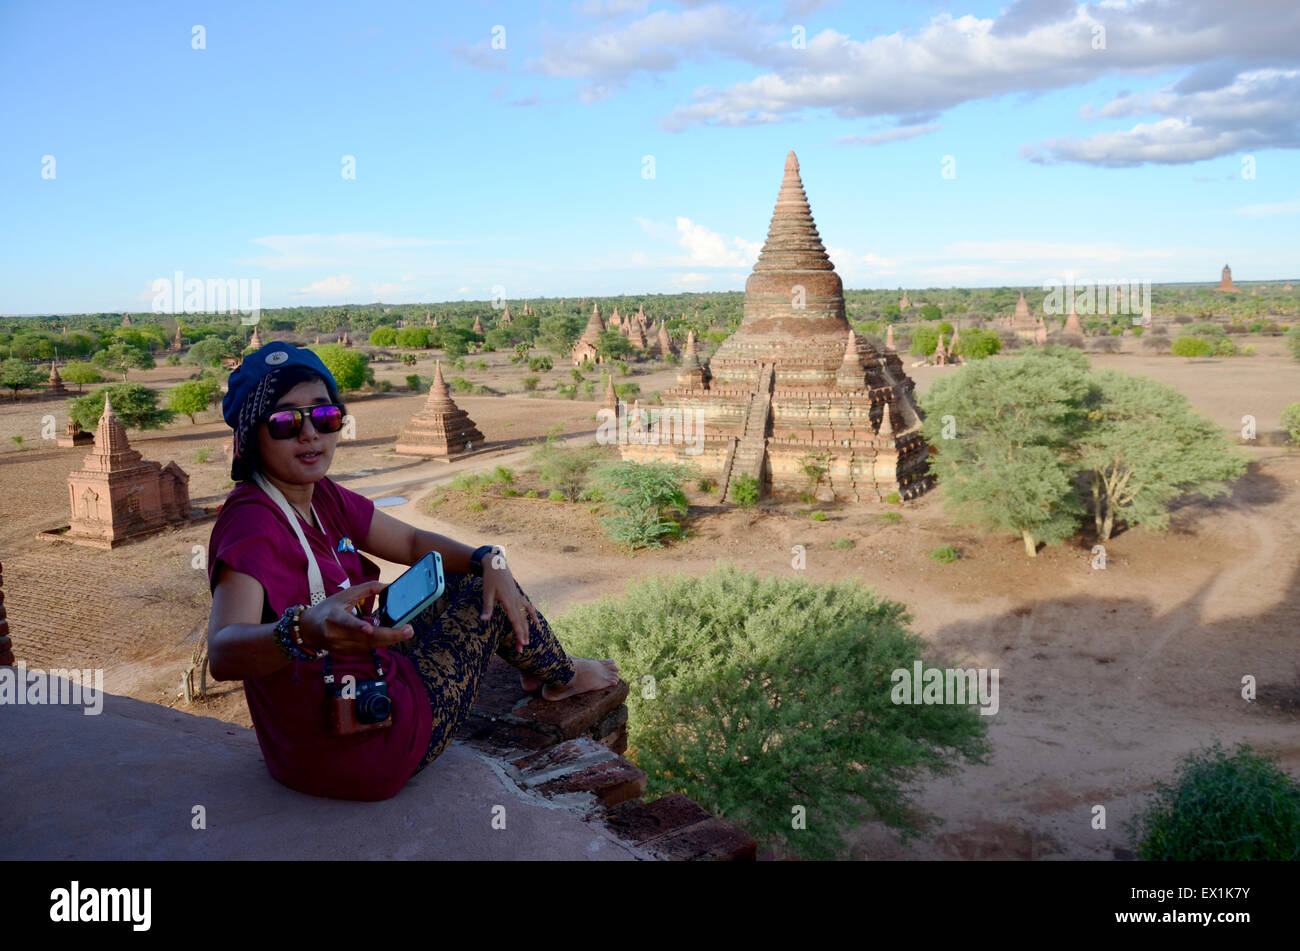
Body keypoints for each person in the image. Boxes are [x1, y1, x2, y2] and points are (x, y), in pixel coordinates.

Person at [205, 341, 619, 801]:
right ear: (251, 434)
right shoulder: (251, 521)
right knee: (489, 602)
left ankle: (547, 666)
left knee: (470, 576)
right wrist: (304, 630)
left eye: (324, 417)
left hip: (341, 707)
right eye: (285, 422)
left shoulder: (320, 496)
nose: (310, 435)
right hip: (359, 747)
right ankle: (561, 675)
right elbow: (223, 654)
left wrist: (489, 557)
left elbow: (409, 542)